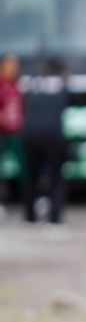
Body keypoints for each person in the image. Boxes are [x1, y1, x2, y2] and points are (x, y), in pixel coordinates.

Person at [19, 57, 69, 225]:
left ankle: (29, 216)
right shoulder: (62, 86)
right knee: (55, 178)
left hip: (30, 135)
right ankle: (55, 218)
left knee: (31, 177)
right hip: (53, 136)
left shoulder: (32, 85)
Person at [0, 54, 22, 215]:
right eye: (10, 64)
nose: (14, 68)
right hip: (2, 133)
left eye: (16, 65)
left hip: (16, 132)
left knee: (25, 167)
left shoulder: (17, 85)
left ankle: (29, 200)